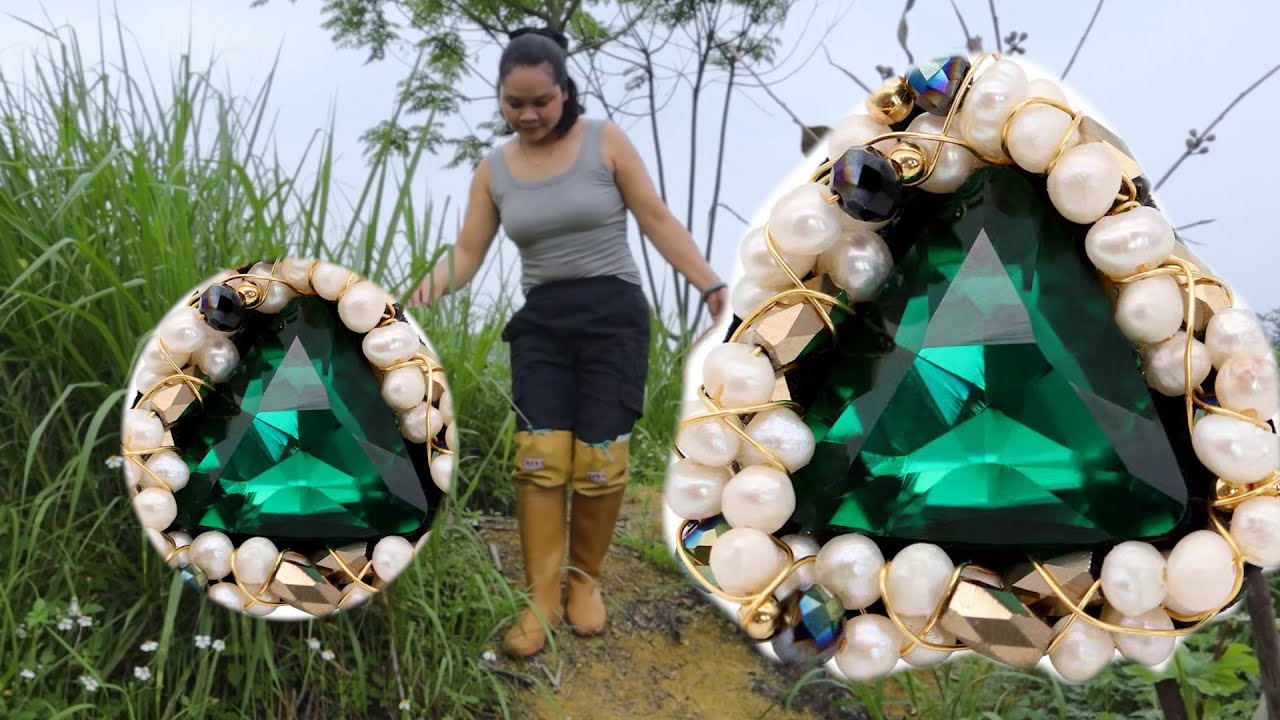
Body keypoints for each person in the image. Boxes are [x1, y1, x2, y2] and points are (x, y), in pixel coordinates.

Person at [408, 26, 727, 657]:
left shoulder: (603, 142)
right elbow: (468, 253)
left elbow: (656, 218)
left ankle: (584, 581)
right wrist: (416, 296)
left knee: (601, 459)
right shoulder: (493, 169)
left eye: (540, 102)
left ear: (564, 93)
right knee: (540, 455)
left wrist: (709, 282)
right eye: (513, 103)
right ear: (501, 98)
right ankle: (540, 596)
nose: (527, 115)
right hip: (544, 324)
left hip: (613, 316)